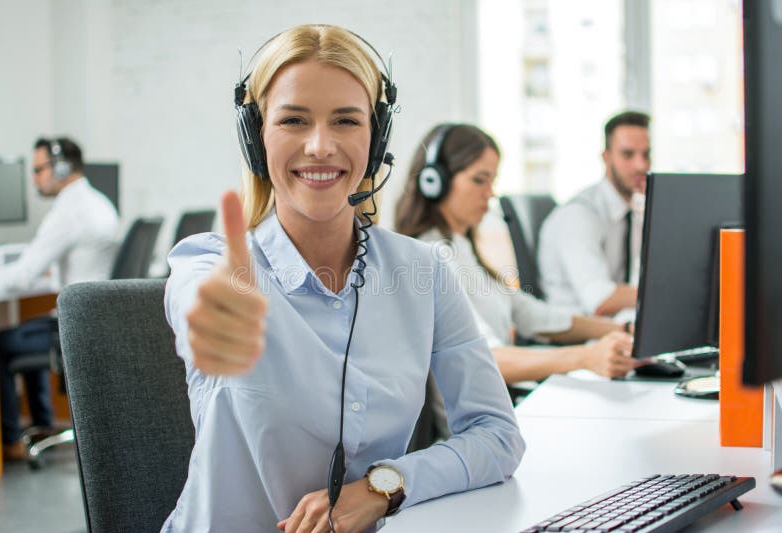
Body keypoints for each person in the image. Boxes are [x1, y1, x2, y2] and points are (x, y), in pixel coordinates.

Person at [162, 25, 524, 533]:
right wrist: (212, 318)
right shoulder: (209, 264)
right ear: (255, 135)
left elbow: (496, 436)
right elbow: (198, 302)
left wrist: (384, 485)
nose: (320, 146)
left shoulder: (424, 273)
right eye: (292, 120)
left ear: (375, 139)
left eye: (346, 121)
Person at [395, 123, 637, 385]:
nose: (489, 194)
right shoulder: (431, 256)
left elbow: (532, 315)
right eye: (479, 179)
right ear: (434, 181)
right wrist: (586, 357)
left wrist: (623, 330)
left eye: (492, 181)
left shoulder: (461, 249)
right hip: (475, 420)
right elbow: (483, 359)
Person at [0, 137, 119, 460]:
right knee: (25, 328)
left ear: (60, 167)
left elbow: (22, 277)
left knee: (1, 343)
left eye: (38, 170)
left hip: (74, 327)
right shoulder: (98, 201)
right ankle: (44, 424)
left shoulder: (68, 212)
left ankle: (8, 441)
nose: (34, 179)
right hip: (94, 320)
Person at [538, 111, 651, 316]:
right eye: (628, 154)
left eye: (646, 154)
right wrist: (661, 293)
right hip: (578, 332)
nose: (641, 165)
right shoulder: (578, 215)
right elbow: (600, 300)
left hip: (614, 327)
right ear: (606, 158)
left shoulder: (634, 211)